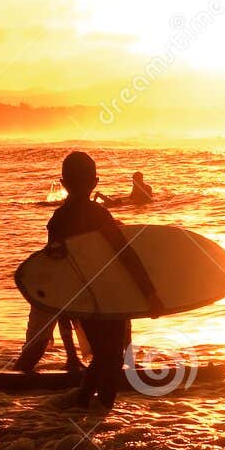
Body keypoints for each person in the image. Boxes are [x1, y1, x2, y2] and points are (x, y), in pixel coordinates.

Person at [32, 151, 163, 411]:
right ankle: (99, 411)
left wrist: (62, 306)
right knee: (110, 358)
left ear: (63, 181)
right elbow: (124, 253)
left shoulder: (57, 220)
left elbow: (57, 267)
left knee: (105, 356)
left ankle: (83, 405)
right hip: (109, 294)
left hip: (82, 297)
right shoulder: (99, 215)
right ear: (96, 181)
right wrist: (149, 293)